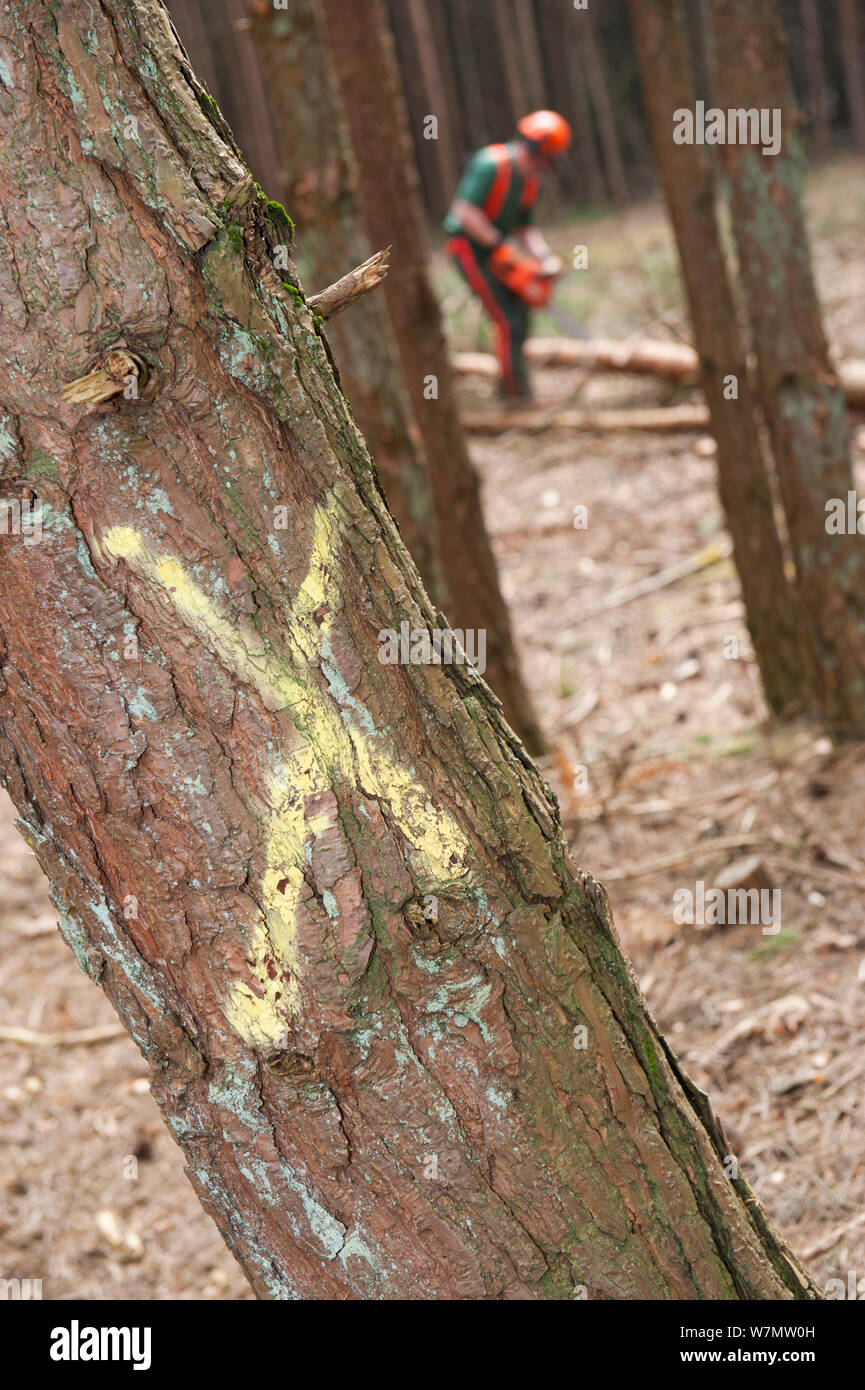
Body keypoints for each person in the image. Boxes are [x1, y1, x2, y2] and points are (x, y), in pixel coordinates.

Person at [444, 110, 571, 401]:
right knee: (506, 320)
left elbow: (525, 227)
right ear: (536, 148)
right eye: (548, 158)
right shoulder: (492, 164)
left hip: (496, 250)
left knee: (521, 313)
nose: (546, 167)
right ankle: (515, 398)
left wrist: (544, 258)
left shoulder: (530, 181)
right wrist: (499, 245)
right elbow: (464, 213)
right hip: (468, 248)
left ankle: (515, 386)